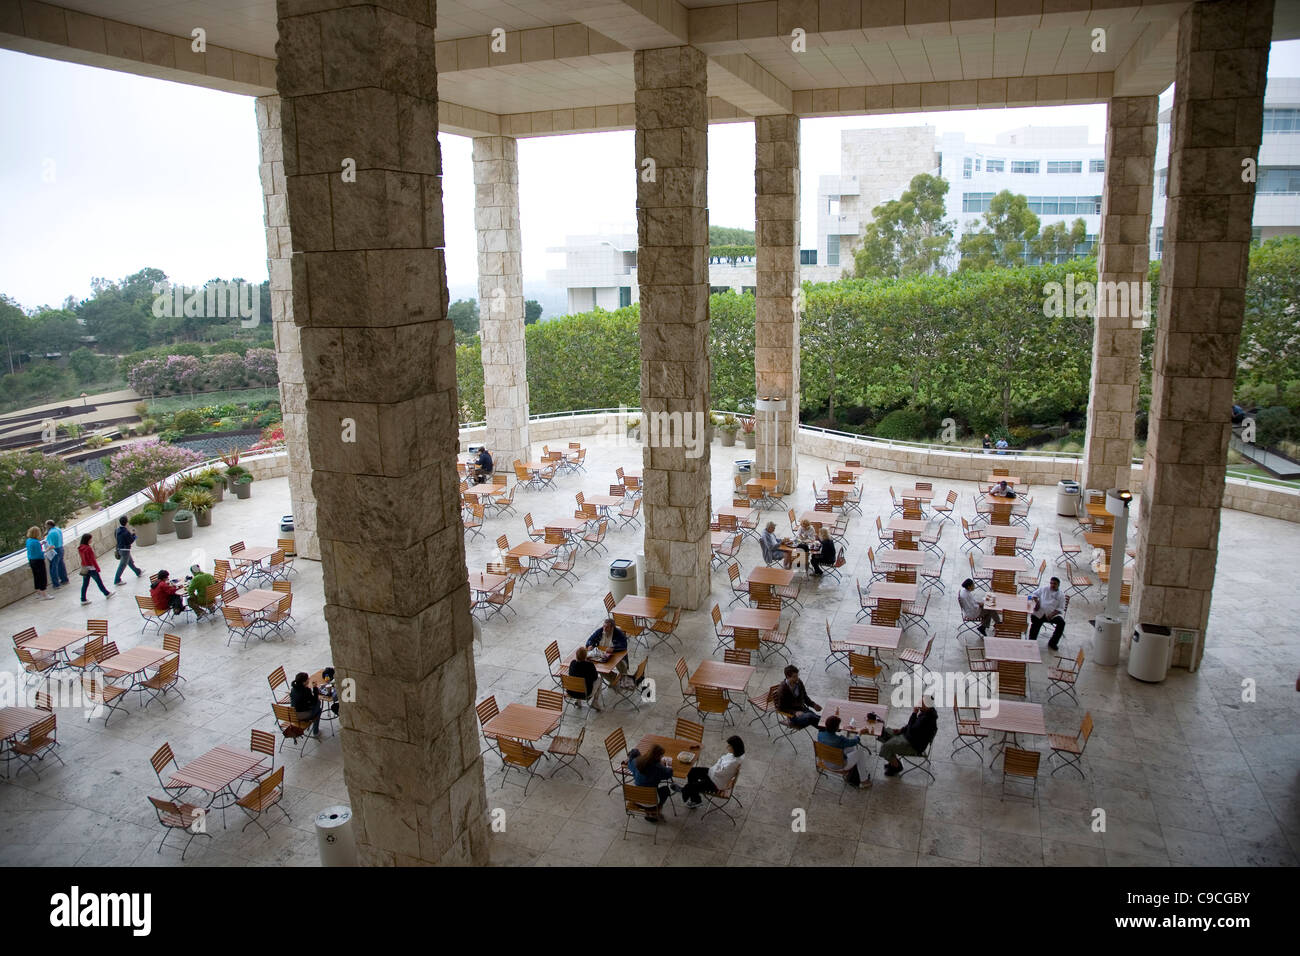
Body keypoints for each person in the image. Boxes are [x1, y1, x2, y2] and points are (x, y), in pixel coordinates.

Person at [879, 695, 939, 777]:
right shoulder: (926, 712)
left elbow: (912, 729)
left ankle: (896, 766)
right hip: (910, 737)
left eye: (922, 703)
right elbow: (912, 725)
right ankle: (893, 761)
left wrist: (914, 713)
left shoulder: (927, 719)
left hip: (913, 745)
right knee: (884, 733)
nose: (919, 704)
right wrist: (901, 730)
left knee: (886, 747)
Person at [681, 735, 745, 808]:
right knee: (691, 771)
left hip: (716, 783)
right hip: (713, 774)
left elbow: (718, 770)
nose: (727, 747)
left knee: (689, 786)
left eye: (729, 746)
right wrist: (720, 762)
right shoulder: (737, 754)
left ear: (735, 748)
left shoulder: (733, 763)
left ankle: (691, 795)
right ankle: (693, 796)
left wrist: (720, 761)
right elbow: (721, 760)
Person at [818, 715, 871, 787]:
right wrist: (859, 733)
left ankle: (856, 768)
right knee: (860, 752)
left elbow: (845, 743)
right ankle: (864, 781)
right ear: (836, 727)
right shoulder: (839, 740)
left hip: (825, 760)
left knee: (852, 748)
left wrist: (843, 728)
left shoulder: (820, 734)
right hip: (839, 765)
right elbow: (855, 741)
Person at [625, 743, 675, 816]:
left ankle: (648, 811)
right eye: (661, 756)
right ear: (658, 757)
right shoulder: (658, 769)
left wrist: (635, 752)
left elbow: (631, 759)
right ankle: (654, 809)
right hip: (652, 803)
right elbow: (669, 773)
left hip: (636, 799)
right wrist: (662, 765)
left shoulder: (637, 762)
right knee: (666, 789)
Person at [776, 664, 821, 729]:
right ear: (788, 677)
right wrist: (795, 712)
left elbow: (805, 697)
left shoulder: (799, 682)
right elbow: (781, 708)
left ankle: (830, 729)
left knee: (817, 718)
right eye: (794, 676)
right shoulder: (782, 689)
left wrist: (813, 705)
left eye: (797, 675)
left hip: (803, 709)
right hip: (793, 716)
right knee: (812, 717)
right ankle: (833, 728)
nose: (797, 678)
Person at [586, 617, 629, 683]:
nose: (604, 629)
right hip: (601, 655)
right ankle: (613, 678)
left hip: (615, 655)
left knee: (621, 663)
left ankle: (624, 676)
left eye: (607, 627)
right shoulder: (600, 631)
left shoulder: (618, 633)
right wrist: (590, 645)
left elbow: (624, 645)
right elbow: (590, 640)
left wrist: (614, 649)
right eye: (604, 626)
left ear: (612, 628)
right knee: (598, 668)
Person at [1029, 576, 1067, 649]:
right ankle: (1032, 640)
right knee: (1035, 621)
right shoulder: (1044, 589)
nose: (1052, 585)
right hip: (1040, 612)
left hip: (1051, 615)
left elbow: (1060, 608)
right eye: (1051, 583)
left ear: (1058, 585)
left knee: (1062, 623)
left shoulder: (1061, 595)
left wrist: (1052, 614)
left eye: (1054, 584)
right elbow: (1034, 594)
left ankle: (1053, 643)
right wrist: (1037, 602)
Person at [77, 533, 113, 604]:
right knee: (99, 582)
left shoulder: (80, 548)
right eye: (90, 539)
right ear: (87, 540)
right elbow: (92, 560)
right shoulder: (88, 548)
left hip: (85, 568)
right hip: (91, 569)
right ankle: (107, 593)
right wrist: (97, 568)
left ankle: (83, 599)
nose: (91, 540)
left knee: (85, 584)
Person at [567, 645, 604, 711]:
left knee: (577, 680)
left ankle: (578, 702)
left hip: (571, 691)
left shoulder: (572, 663)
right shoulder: (590, 665)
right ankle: (595, 701)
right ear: (585, 656)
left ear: (576, 656)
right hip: (585, 693)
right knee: (599, 679)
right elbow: (595, 677)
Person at [289, 671, 322, 736]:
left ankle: (315, 731)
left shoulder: (293, 689)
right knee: (319, 706)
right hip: (301, 715)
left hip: (292, 714)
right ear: (304, 682)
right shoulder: (306, 691)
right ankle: (315, 732)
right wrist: (315, 688)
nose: (309, 679)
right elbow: (314, 701)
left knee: (316, 705)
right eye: (307, 679)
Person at [112, 515, 142, 585]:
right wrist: (134, 535)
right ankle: (117, 580)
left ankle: (138, 572)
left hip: (120, 549)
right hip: (125, 550)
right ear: (126, 522)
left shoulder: (117, 530)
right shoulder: (126, 532)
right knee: (122, 565)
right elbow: (131, 541)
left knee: (130, 562)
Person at [25, 527, 53, 600]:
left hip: (32, 561)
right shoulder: (36, 542)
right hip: (38, 561)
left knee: (36, 577)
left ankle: (38, 593)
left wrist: (41, 543)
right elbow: (40, 554)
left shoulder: (28, 540)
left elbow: (31, 551)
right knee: (42, 577)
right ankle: (44, 595)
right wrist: (48, 549)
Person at [44, 520, 69, 590]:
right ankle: (65, 580)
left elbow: (52, 546)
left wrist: (45, 551)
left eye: (45, 525)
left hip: (55, 551)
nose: (45, 526)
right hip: (61, 548)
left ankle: (56, 584)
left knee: (53, 567)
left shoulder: (50, 533)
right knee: (61, 564)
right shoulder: (58, 529)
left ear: (48, 525)